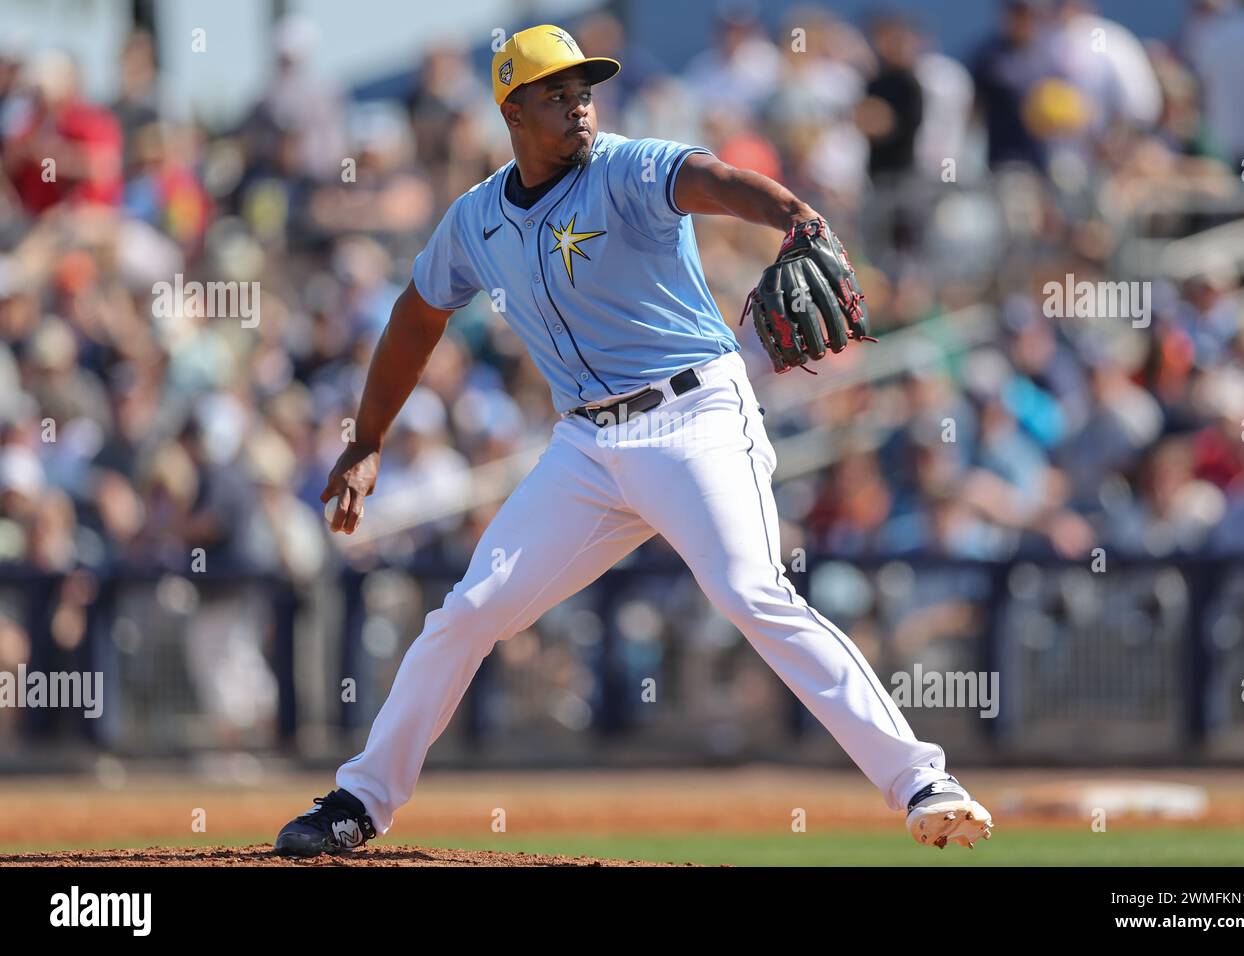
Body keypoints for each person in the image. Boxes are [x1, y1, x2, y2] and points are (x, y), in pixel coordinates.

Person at [274, 24, 993, 857]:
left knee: (750, 590)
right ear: (510, 108)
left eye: (584, 89)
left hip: (695, 420)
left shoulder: (625, 166)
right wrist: (367, 439)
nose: (579, 105)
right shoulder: (476, 219)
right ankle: (359, 800)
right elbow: (416, 315)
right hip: (585, 449)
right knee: (469, 612)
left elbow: (713, 178)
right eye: (556, 93)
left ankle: (921, 780)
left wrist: (795, 216)